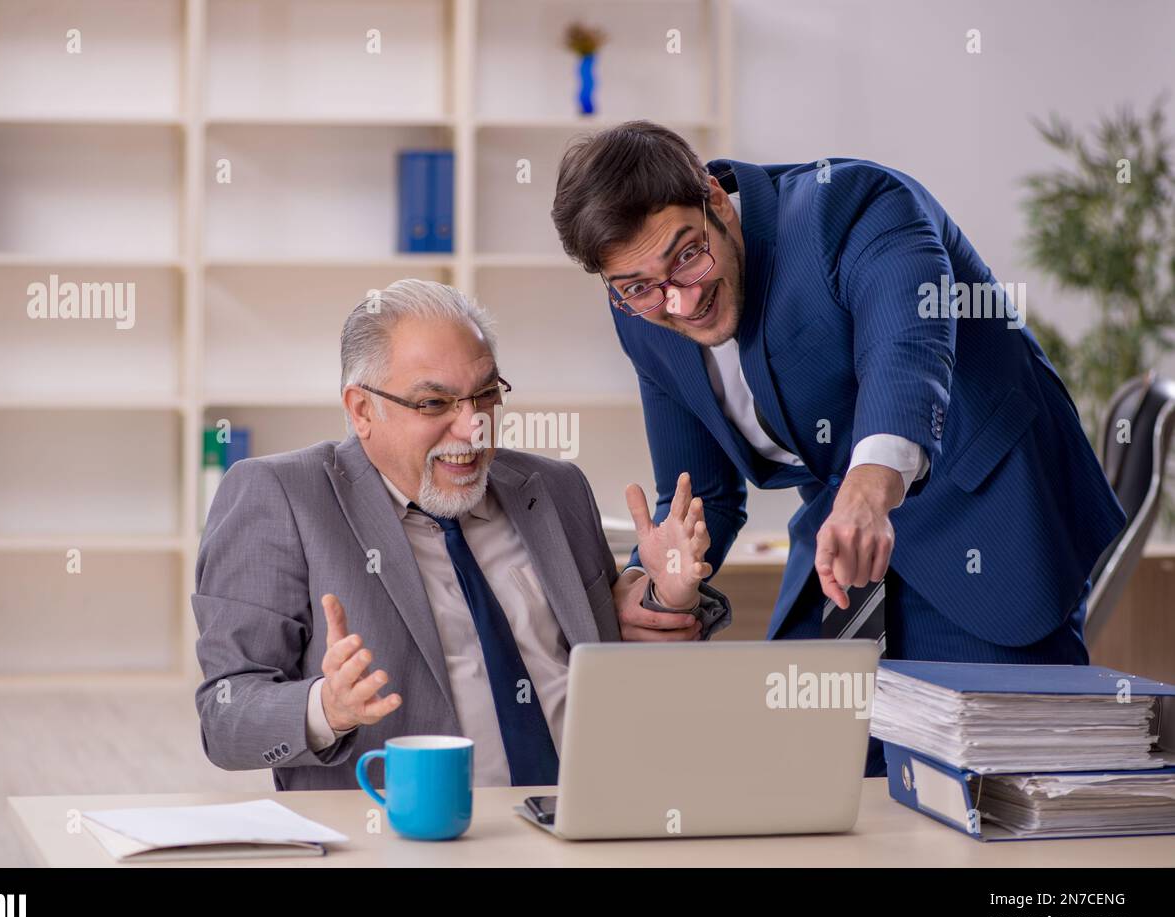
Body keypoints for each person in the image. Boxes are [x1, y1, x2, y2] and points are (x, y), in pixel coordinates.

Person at [551, 121, 1125, 774]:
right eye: (638, 285)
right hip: (842, 556)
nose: (679, 300)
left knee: (989, 795)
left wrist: (867, 491)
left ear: (714, 197)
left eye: (687, 254)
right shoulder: (642, 317)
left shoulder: (854, 206)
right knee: (801, 777)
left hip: (986, 525)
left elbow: (905, 356)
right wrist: (659, 583)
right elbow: (701, 493)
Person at [193, 279, 730, 789]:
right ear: (362, 410)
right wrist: (325, 708)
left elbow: (614, 654)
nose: (473, 426)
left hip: (588, 811)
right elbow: (225, 715)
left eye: (486, 394)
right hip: (411, 836)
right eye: (434, 403)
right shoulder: (281, 495)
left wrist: (667, 595)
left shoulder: (555, 488)